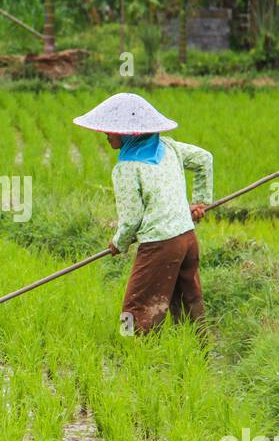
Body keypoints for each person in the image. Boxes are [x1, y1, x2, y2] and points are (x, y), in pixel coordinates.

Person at [72, 92, 213, 335]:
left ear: (130, 133)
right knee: (189, 300)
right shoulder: (170, 147)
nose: (106, 135)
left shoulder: (126, 168)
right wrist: (200, 201)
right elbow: (204, 159)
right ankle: (198, 349)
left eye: (111, 130)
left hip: (160, 245)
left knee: (136, 307)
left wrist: (119, 242)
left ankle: (133, 353)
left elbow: (132, 220)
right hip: (187, 239)